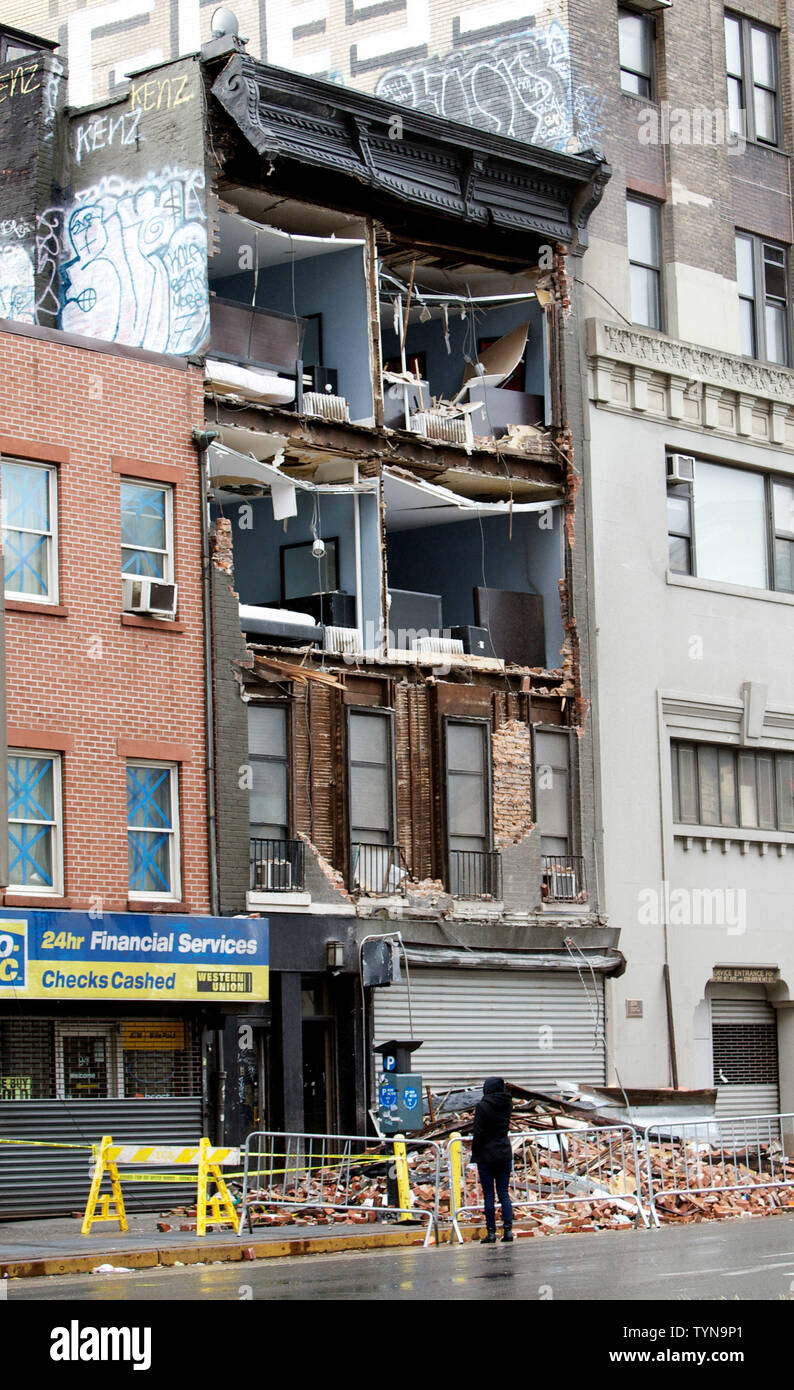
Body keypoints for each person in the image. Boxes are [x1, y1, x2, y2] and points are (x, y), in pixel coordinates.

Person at [471, 1076, 514, 1243]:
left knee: (489, 1195)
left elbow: (479, 1133)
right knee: (504, 1193)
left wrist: (475, 1152)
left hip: (487, 1155)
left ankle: (491, 1232)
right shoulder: (507, 1104)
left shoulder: (482, 1106)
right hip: (504, 1152)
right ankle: (508, 1230)